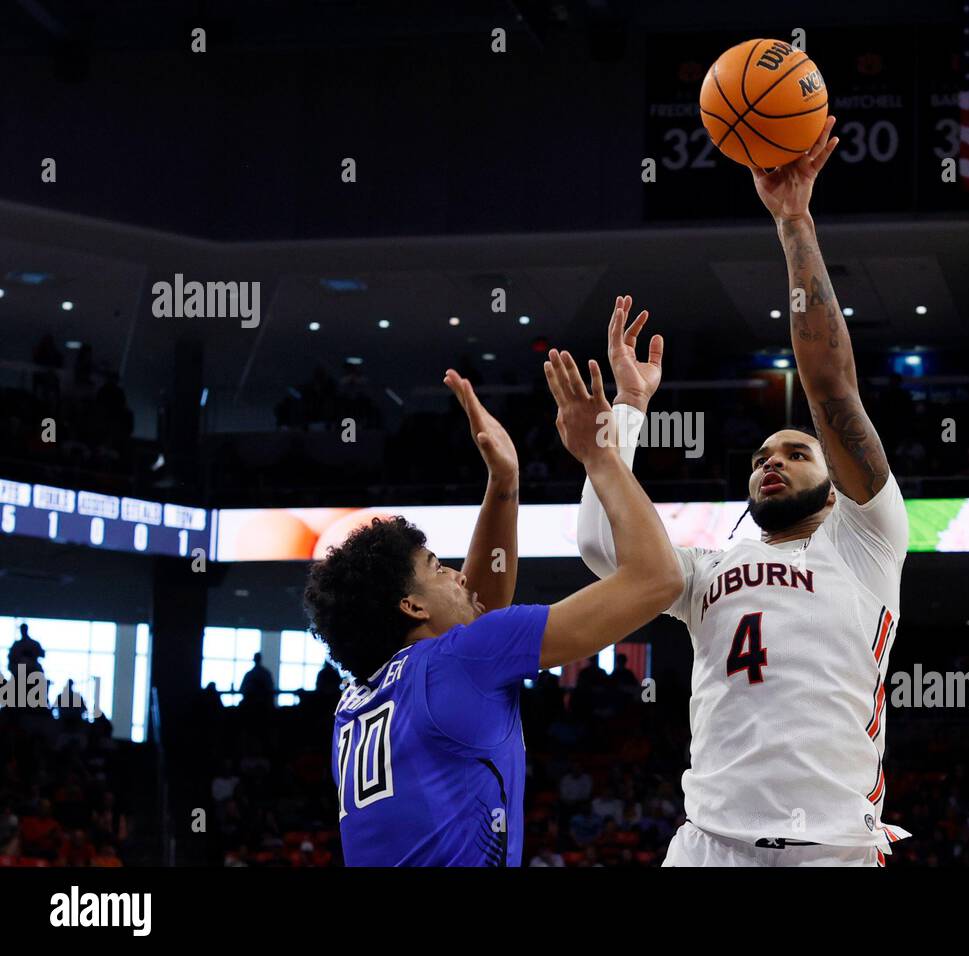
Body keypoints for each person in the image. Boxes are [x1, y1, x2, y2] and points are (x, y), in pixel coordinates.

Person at [577, 126, 910, 867]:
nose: (773, 462)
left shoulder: (868, 540)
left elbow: (830, 387)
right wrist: (626, 411)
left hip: (832, 848)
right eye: (762, 455)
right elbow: (605, 550)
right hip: (709, 847)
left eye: (796, 453)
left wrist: (794, 222)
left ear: (835, 486)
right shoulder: (705, 569)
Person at [304, 353, 681, 866]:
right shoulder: (461, 659)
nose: (460, 575)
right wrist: (601, 456)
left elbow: (473, 618)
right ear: (411, 605)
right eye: (438, 568)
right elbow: (656, 578)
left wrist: (504, 482)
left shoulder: (356, 702)